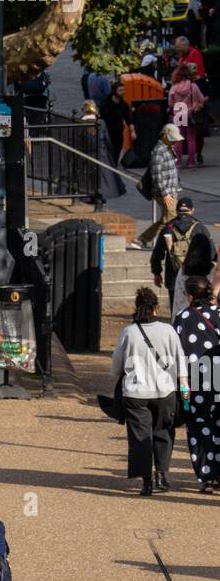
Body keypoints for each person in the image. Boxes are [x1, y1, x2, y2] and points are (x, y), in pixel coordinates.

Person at [110, 287, 188, 495]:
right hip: (165, 391)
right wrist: (184, 389)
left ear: (137, 307)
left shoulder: (129, 332)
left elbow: (116, 367)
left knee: (139, 436)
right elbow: (181, 360)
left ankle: (145, 481)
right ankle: (161, 474)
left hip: (136, 393)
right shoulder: (168, 330)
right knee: (163, 432)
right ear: (155, 307)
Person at [173, 275, 220, 491]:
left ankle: (206, 476)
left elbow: (175, 351)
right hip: (218, 378)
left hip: (193, 381)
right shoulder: (218, 314)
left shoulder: (182, 318)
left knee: (198, 427)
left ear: (190, 295)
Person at [131, 125, 183, 250]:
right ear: (165, 135)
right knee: (171, 219)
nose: (175, 141)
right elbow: (157, 175)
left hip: (172, 190)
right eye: (172, 138)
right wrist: (165, 194)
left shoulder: (168, 148)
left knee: (166, 219)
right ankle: (172, 243)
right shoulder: (158, 151)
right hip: (164, 192)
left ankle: (141, 240)